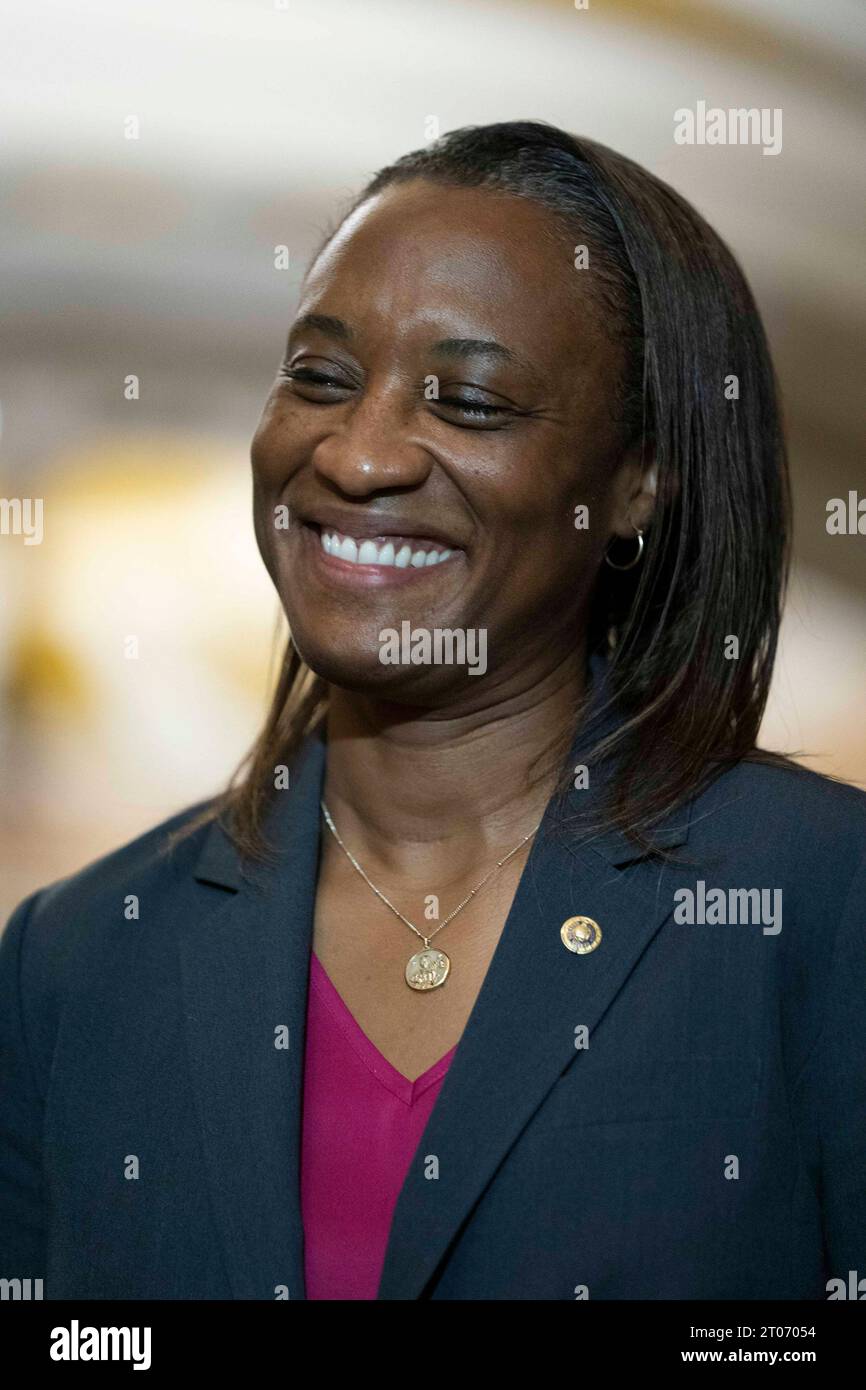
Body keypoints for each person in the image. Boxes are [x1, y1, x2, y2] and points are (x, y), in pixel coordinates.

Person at [1, 120, 864, 1301]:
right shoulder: (77, 959)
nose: (355, 456)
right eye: (318, 377)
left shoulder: (817, 904)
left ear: (634, 486)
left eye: (465, 399)